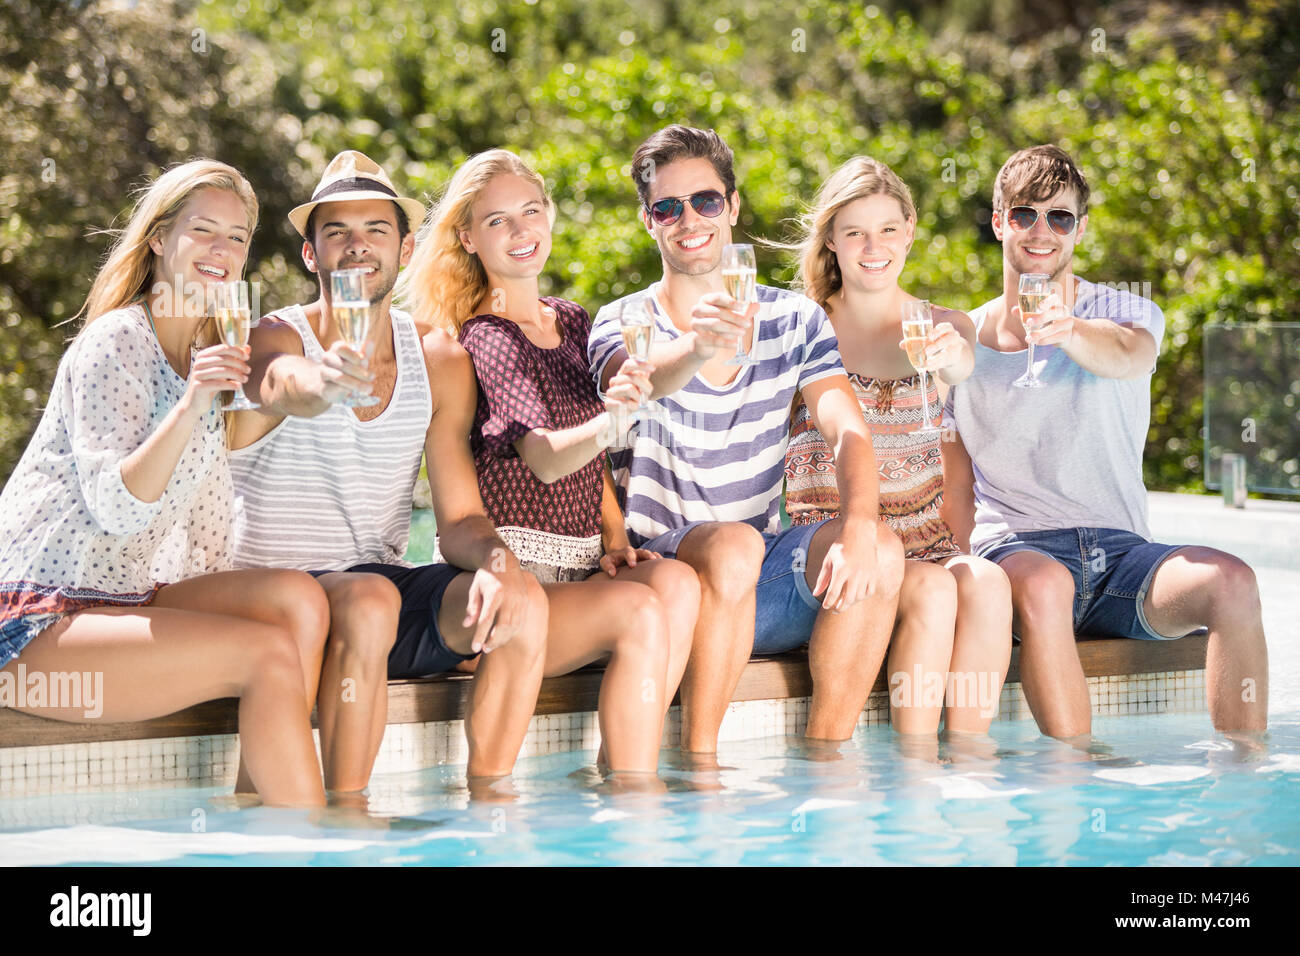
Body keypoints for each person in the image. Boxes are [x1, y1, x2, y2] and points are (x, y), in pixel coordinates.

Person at [0, 161, 328, 807]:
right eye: (202, 229)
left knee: (301, 602)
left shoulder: (206, 348)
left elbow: (206, 529)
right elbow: (118, 509)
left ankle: (258, 812)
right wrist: (193, 401)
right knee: (264, 655)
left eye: (237, 237)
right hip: (34, 620)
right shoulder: (115, 342)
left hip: (121, 599)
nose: (221, 250)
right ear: (157, 239)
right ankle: (311, 844)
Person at [228, 151, 548, 793]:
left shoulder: (437, 357)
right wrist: (321, 382)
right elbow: (276, 384)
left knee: (522, 601)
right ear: (310, 256)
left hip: (376, 590)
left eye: (376, 229)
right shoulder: (276, 335)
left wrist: (493, 562)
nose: (357, 246)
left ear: (404, 250)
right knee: (370, 600)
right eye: (336, 232)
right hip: (271, 599)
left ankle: (489, 811)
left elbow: (458, 517)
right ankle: (349, 821)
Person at [588, 126, 905, 756]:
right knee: (733, 545)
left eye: (705, 201)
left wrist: (861, 524)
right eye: (667, 207)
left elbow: (846, 429)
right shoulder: (624, 319)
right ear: (649, 220)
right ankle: (700, 764)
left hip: (756, 583)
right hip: (662, 577)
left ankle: (825, 762)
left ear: (732, 207)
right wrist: (701, 346)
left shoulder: (794, 319)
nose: (689, 220)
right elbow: (637, 383)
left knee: (881, 549)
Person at [943, 144, 1269, 739]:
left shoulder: (1122, 310)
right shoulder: (966, 345)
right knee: (1045, 586)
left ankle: (1241, 780)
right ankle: (1079, 778)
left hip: (1122, 556)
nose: (1042, 232)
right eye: (1024, 214)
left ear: (1079, 229)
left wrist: (1067, 330)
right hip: (1022, 553)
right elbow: (956, 480)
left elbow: (1129, 355)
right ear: (998, 222)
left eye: (1059, 217)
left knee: (1233, 581)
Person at [398, 149, 700, 775]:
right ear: (467, 238)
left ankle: (622, 765)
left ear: (551, 217)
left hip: (582, 570)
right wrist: (617, 420)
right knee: (642, 610)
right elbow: (545, 458)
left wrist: (615, 536)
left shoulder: (571, 319)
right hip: (515, 582)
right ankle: (632, 795)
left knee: (676, 582)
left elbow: (591, 470)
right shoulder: (486, 335)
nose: (520, 231)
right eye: (497, 220)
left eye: (530, 212)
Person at [782, 156, 1012, 736]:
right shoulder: (802, 327)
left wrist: (946, 357)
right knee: (934, 590)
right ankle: (915, 770)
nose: (873, 245)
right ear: (831, 239)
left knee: (986, 582)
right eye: (855, 231)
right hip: (839, 544)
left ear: (910, 230)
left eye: (888, 228)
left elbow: (960, 361)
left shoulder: (942, 325)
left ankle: (970, 755)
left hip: (926, 542)